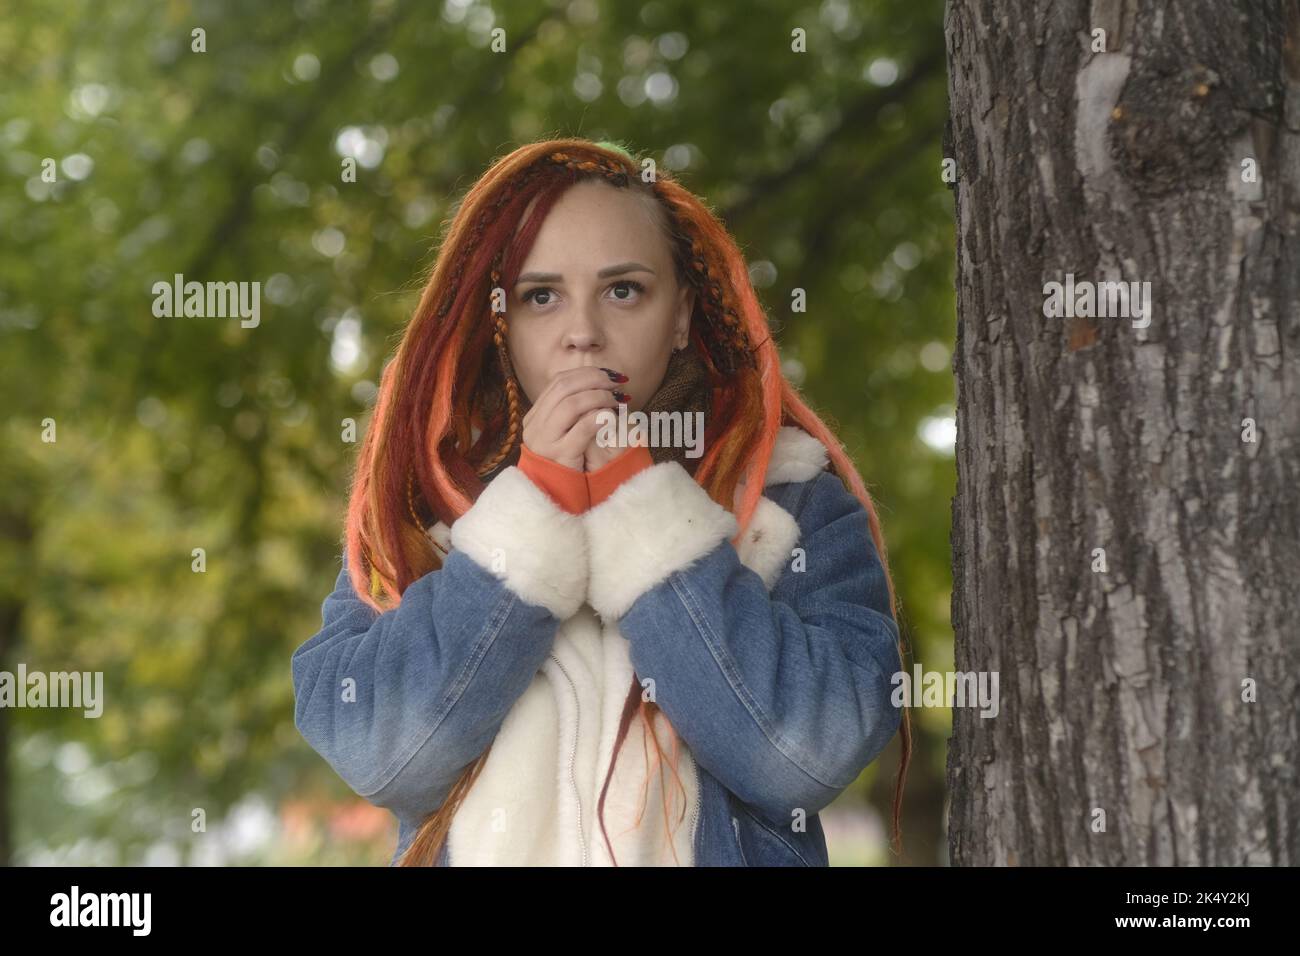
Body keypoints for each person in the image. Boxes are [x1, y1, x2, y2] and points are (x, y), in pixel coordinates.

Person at [291, 138, 911, 866]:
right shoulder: (425, 514)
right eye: (541, 296)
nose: (582, 334)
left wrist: (639, 510)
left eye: (624, 290)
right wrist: (536, 512)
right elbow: (379, 752)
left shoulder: (794, 498)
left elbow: (806, 754)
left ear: (681, 315)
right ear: (503, 326)